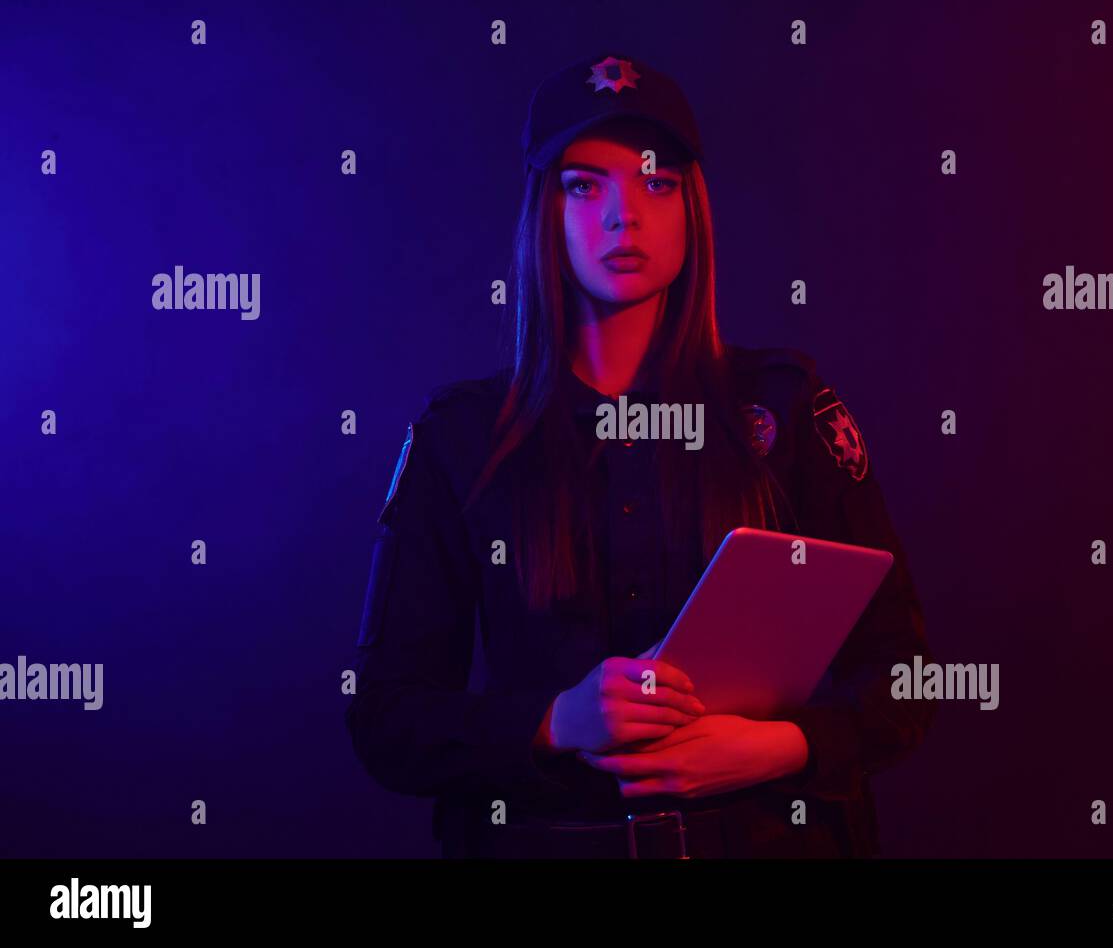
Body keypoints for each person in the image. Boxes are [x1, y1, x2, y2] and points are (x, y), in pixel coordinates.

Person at [345, 53, 937, 858]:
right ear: (542, 213)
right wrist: (556, 720)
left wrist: (777, 747)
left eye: (657, 183)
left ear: (693, 207)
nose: (626, 216)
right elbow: (387, 719)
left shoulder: (787, 408)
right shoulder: (460, 436)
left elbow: (907, 679)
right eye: (586, 185)